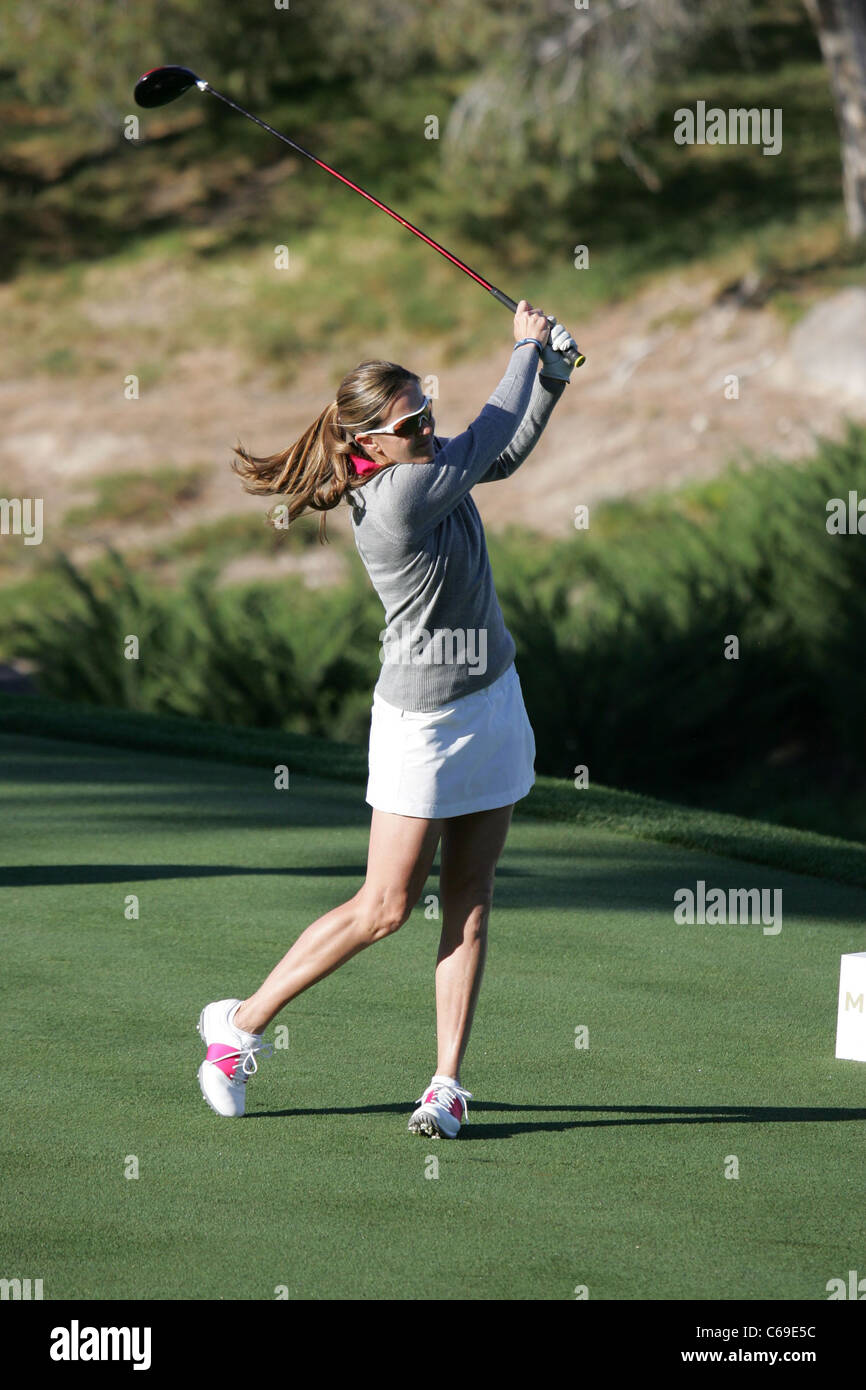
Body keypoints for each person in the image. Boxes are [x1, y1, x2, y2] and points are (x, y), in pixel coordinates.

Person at [197, 300, 579, 1136]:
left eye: (429, 413)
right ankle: (238, 1027)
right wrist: (525, 351)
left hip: (495, 700)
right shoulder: (400, 499)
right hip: (424, 726)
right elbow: (487, 435)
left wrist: (547, 377)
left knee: (470, 901)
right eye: (414, 424)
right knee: (384, 907)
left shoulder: (429, 467)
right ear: (368, 446)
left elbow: (499, 452)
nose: (431, 430)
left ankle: (446, 1085)